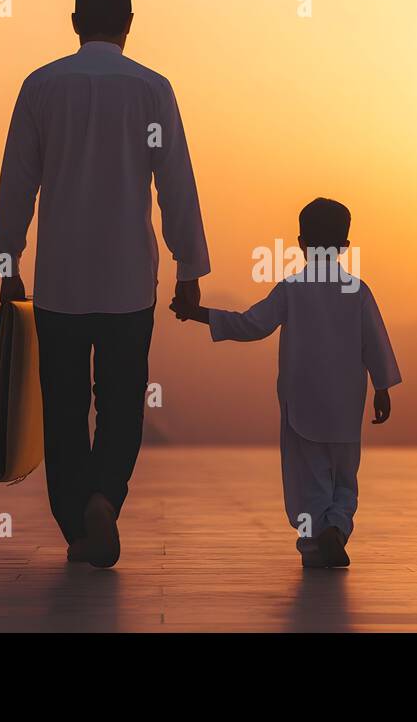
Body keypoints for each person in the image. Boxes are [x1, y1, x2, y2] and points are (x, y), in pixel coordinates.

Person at [0, 0, 209, 567]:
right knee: (120, 403)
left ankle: (77, 527)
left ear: (74, 21)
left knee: (61, 406)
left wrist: (8, 258)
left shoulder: (41, 86)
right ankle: (105, 500)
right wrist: (189, 262)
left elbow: (18, 182)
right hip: (128, 283)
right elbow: (176, 183)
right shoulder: (151, 90)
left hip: (61, 280)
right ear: (130, 21)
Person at [169, 198, 400, 568]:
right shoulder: (358, 291)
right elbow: (375, 342)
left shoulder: (293, 289)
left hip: (303, 405)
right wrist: (383, 388)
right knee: (344, 477)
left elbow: (252, 325)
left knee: (309, 481)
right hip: (345, 408)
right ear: (345, 245)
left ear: (301, 242)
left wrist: (200, 314)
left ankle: (316, 542)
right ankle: (337, 527)